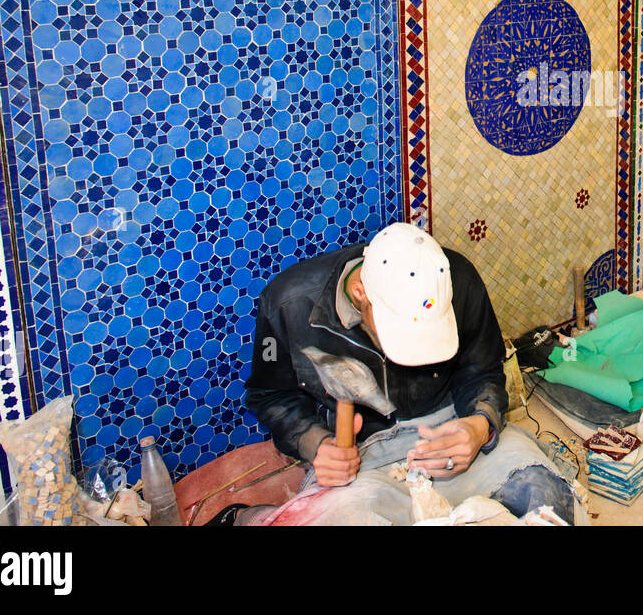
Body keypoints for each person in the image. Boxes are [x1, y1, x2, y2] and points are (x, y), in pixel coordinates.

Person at [229, 221, 576, 525]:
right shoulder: (288, 302)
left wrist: (480, 424)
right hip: (364, 462)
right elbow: (271, 395)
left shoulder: (458, 280)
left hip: (452, 435)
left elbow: (482, 368)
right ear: (360, 293)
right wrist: (316, 445)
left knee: (546, 497)